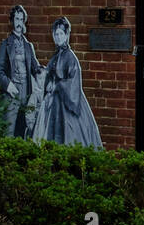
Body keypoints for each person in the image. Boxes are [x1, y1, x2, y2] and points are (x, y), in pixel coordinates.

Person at [30, 16, 103, 148]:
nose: (58, 37)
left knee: (69, 137)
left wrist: (57, 85)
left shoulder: (70, 57)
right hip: (54, 103)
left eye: (61, 34)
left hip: (68, 105)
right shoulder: (56, 55)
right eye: (56, 34)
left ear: (67, 35)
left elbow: (73, 83)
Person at [0, 5, 41, 138]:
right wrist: (9, 86)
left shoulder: (28, 46)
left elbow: (36, 68)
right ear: (12, 21)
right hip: (12, 94)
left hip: (26, 93)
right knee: (8, 132)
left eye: (21, 19)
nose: (19, 23)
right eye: (16, 19)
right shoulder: (6, 44)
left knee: (23, 132)